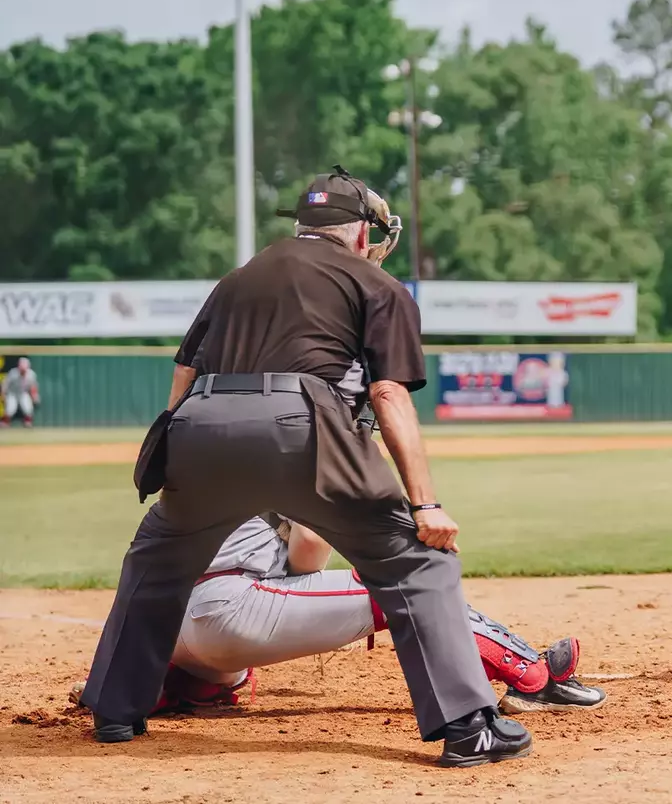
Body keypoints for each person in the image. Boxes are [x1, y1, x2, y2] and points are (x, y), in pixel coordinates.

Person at [77, 167, 532, 767]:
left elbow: (183, 373)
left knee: (156, 558)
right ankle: (468, 727)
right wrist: (424, 504)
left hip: (201, 422)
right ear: (364, 234)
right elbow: (390, 396)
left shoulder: (237, 279)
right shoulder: (374, 283)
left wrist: (178, 456)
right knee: (415, 561)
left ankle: (115, 711)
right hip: (301, 422)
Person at [68, 512, 604, 716]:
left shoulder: (208, 432)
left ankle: (186, 685)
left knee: (226, 650)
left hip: (158, 628)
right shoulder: (297, 431)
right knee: (402, 586)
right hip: (227, 616)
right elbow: (308, 548)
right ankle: (532, 675)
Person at [1, 356, 39, 427]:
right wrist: (3, 394)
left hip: (23, 392)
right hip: (12, 393)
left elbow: (33, 386)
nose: (22, 371)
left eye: (24, 369)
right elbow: (5, 384)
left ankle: (27, 423)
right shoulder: (13, 373)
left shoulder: (31, 374)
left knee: (28, 408)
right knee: (10, 409)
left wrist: (35, 396)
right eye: (21, 368)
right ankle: (4, 423)